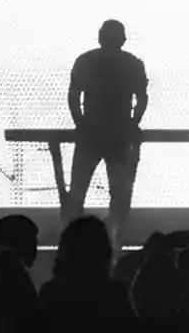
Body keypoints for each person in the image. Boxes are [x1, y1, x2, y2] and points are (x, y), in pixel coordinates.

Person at [66, 19, 149, 236]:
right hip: (118, 136)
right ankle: (113, 238)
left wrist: (81, 124)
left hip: (92, 135)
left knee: (77, 192)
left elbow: (73, 96)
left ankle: (75, 238)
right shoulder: (132, 64)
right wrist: (133, 124)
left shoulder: (86, 61)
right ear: (122, 39)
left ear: (100, 37)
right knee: (119, 195)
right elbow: (142, 98)